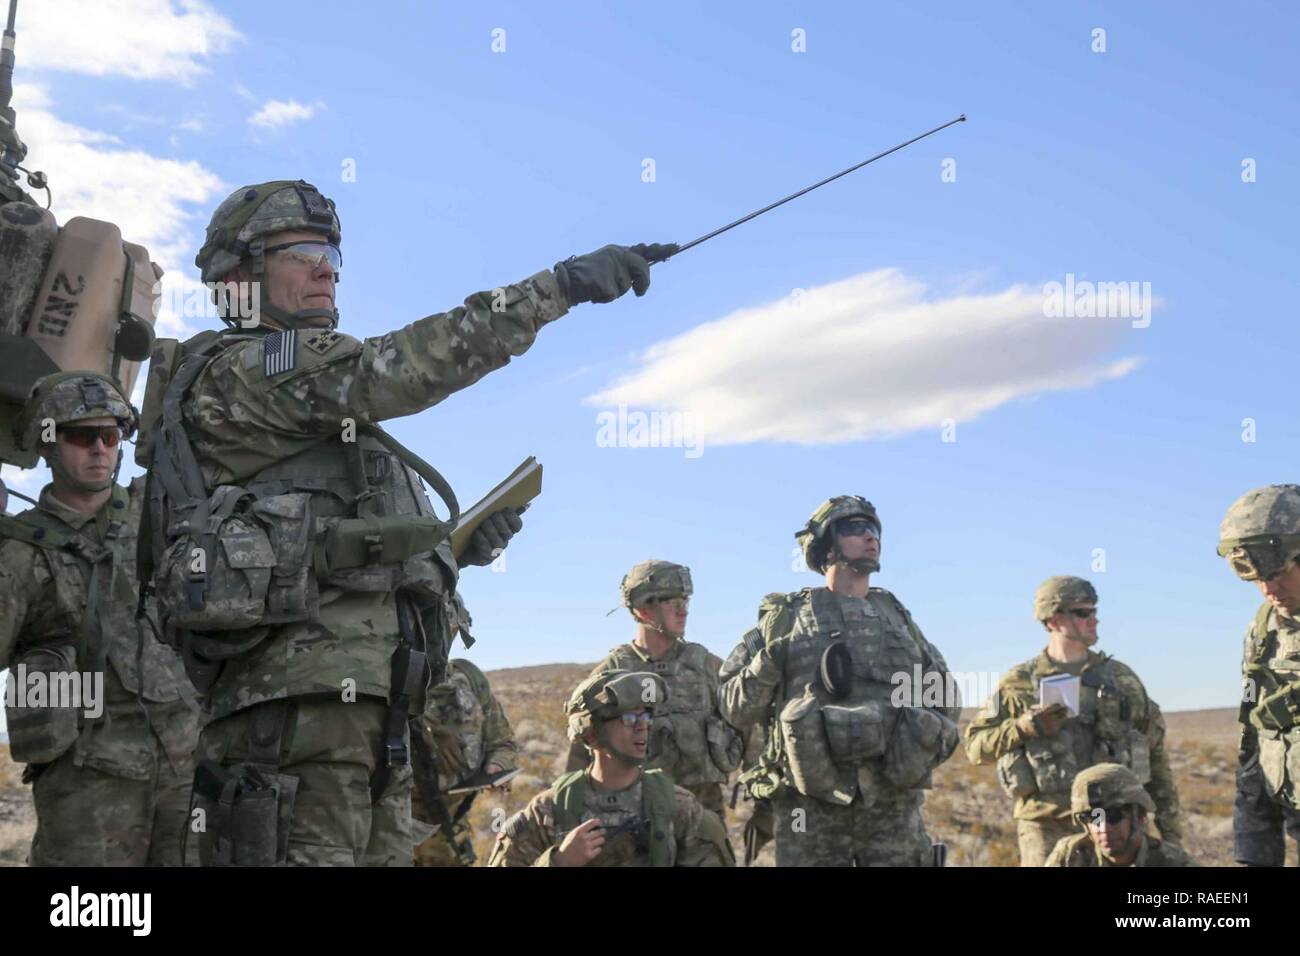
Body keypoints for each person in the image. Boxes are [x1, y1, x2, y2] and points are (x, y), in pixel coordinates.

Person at [146, 178, 675, 866]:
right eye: (301, 251)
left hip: (376, 721)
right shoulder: (247, 369)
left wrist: (453, 555)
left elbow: (336, 556)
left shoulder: (313, 411)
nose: (325, 267)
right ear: (239, 277)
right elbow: (394, 370)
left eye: (331, 253)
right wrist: (560, 288)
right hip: (294, 724)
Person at [0, 372, 199, 865]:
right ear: (49, 443)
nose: (99, 449)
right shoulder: (20, 547)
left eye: (110, 436)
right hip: (87, 780)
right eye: (81, 435)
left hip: (186, 767)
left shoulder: (159, 514)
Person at [719, 495, 959, 866]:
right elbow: (733, 707)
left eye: (874, 529)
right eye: (855, 528)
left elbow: (946, 698)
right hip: (809, 810)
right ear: (826, 546)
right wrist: (770, 662)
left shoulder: (897, 616)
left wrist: (919, 732)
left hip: (892, 807)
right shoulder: (785, 619)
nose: (870, 537)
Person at [964, 575, 1183, 866]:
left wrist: (1170, 836)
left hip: (1116, 826)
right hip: (1048, 826)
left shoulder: (1121, 679)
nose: (1094, 620)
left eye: (1094, 611)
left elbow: (1155, 757)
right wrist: (1024, 728)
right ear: (1053, 620)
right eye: (1083, 613)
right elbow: (976, 746)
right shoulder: (1019, 683)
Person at [488, 669, 734, 867]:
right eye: (629, 719)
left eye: (646, 717)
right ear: (592, 734)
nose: (642, 727)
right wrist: (560, 861)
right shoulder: (547, 813)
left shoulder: (678, 808)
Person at [564, 560, 741, 819]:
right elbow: (581, 748)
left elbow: (747, 723)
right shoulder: (610, 675)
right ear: (643, 609)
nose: (684, 611)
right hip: (634, 811)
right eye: (673, 602)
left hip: (702, 810)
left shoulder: (707, 666)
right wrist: (569, 810)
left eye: (686, 602)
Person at [1217, 484, 1300, 866]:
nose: (1268, 588)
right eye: (1255, 578)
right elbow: (1255, 738)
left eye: (1279, 572)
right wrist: (1253, 854)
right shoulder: (1263, 631)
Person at [411, 623, 518, 866]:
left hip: (449, 835)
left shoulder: (468, 679)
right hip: (386, 836)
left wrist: (497, 767)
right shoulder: (379, 679)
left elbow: (503, 743)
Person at [1045, 763, 1194, 867]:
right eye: (1095, 817)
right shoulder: (1071, 855)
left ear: (1139, 815)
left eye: (1113, 816)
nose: (1103, 828)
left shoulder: (1173, 863)